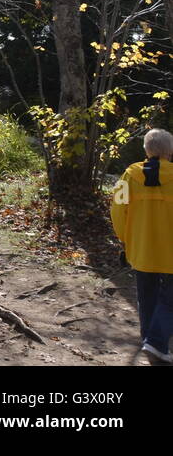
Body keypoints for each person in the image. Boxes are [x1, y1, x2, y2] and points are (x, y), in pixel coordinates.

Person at [110, 127, 173, 364]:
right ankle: (156, 343)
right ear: (170, 152)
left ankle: (150, 341)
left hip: (142, 249)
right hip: (171, 252)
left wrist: (124, 239)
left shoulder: (129, 176)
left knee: (146, 297)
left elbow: (117, 210)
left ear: (146, 150)